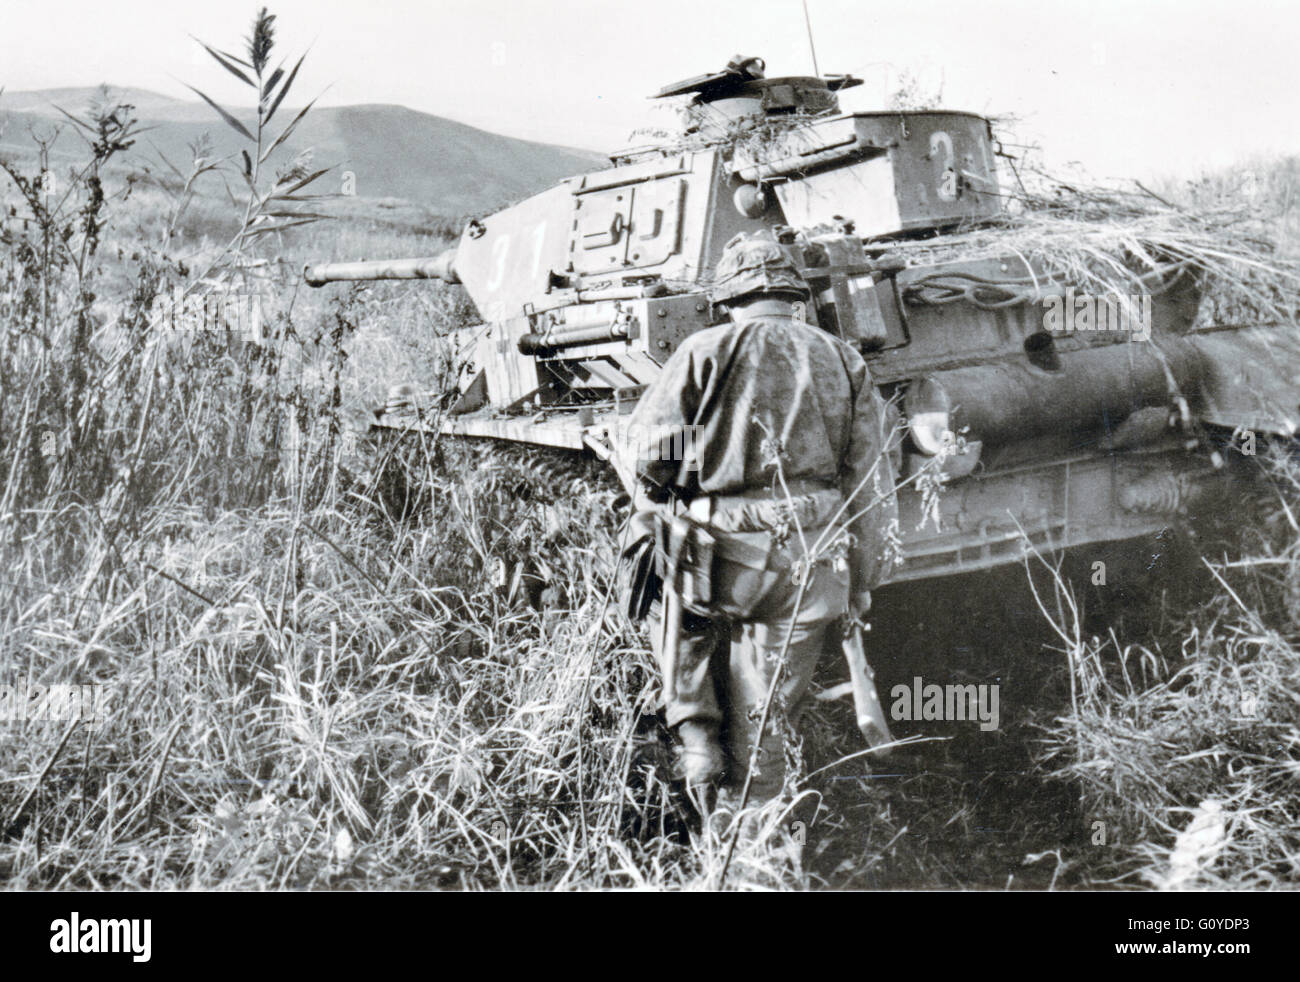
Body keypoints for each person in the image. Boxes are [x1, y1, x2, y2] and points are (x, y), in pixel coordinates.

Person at [620, 230, 899, 806]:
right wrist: (862, 581)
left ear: (728, 299)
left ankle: (696, 739)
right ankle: (755, 829)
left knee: (668, 594)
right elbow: (870, 479)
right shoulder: (841, 356)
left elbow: (653, 454)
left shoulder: (703, 350)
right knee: (766, 713)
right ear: (794, 297)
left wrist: (672, 486)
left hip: (719, 555)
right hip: (812, 555)